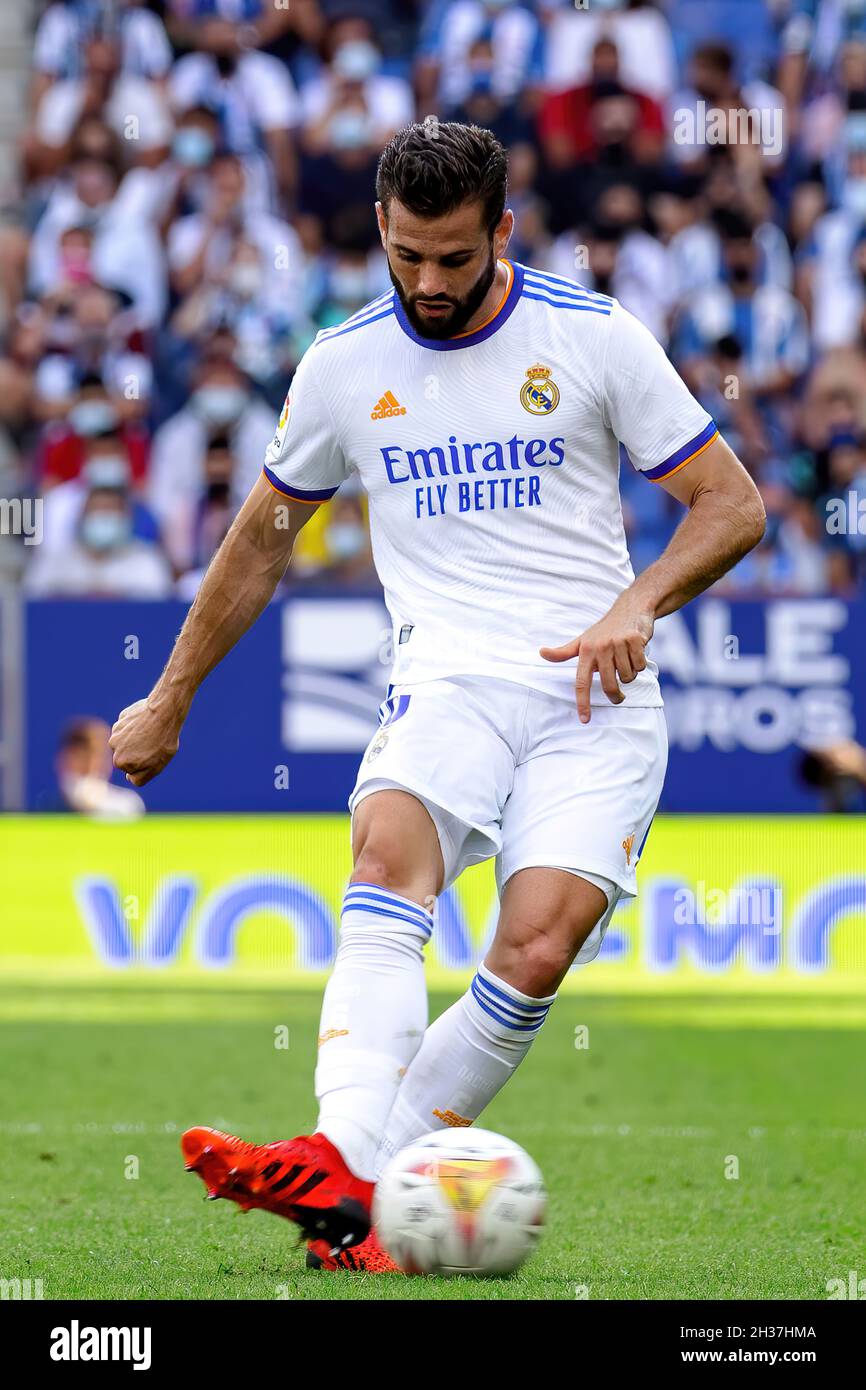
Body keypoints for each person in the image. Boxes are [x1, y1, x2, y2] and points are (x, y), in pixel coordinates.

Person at [109, 123, 765, 1273]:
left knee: (537, 944)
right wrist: (170, 696)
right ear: (379, 232)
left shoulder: (594, 335)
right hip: (447, 677)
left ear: (500, 231)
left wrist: (639, 600)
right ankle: (345, 1158)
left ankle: (355, 1190)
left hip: (592, 696)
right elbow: (260, 544)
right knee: (387, 845)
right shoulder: (342, 365)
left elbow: (730, 503)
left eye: (453, 258)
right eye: (406, 255)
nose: (427, 283)